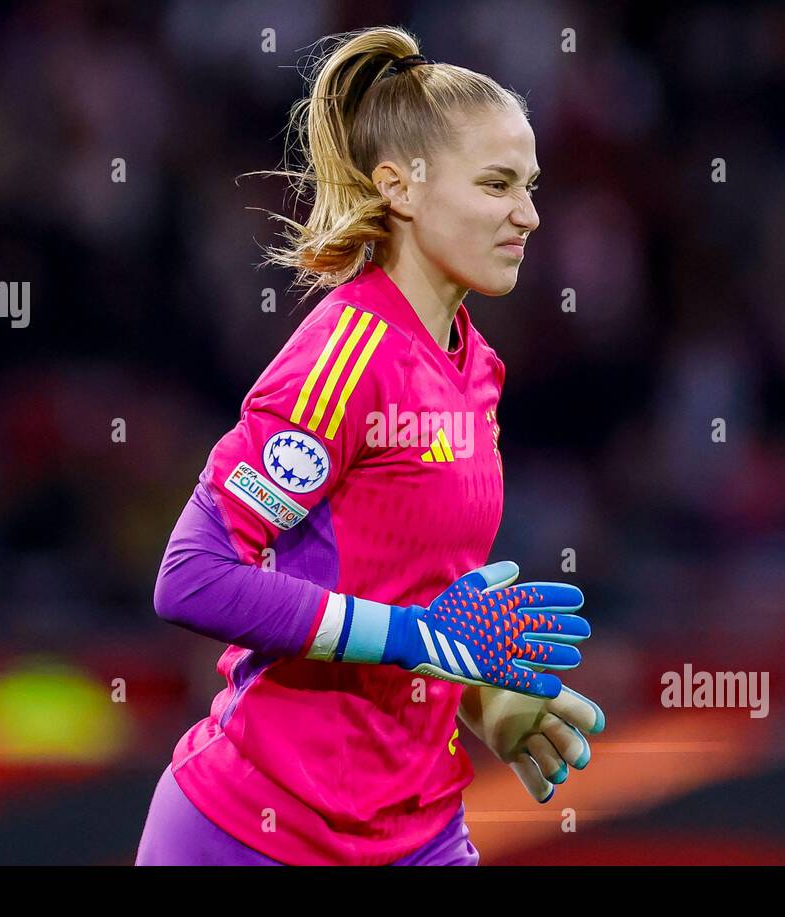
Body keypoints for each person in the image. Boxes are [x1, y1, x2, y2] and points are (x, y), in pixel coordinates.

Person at [137, 26, 605, 867]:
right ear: (402, 188)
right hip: (255, 827)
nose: (529, 215)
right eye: (497, 184)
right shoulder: (345, 355)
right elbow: (193, 576)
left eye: (532, 186)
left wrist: (486, 697)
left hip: (417, 833)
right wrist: (415, 639)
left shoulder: (478, 368)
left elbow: (417, 602)